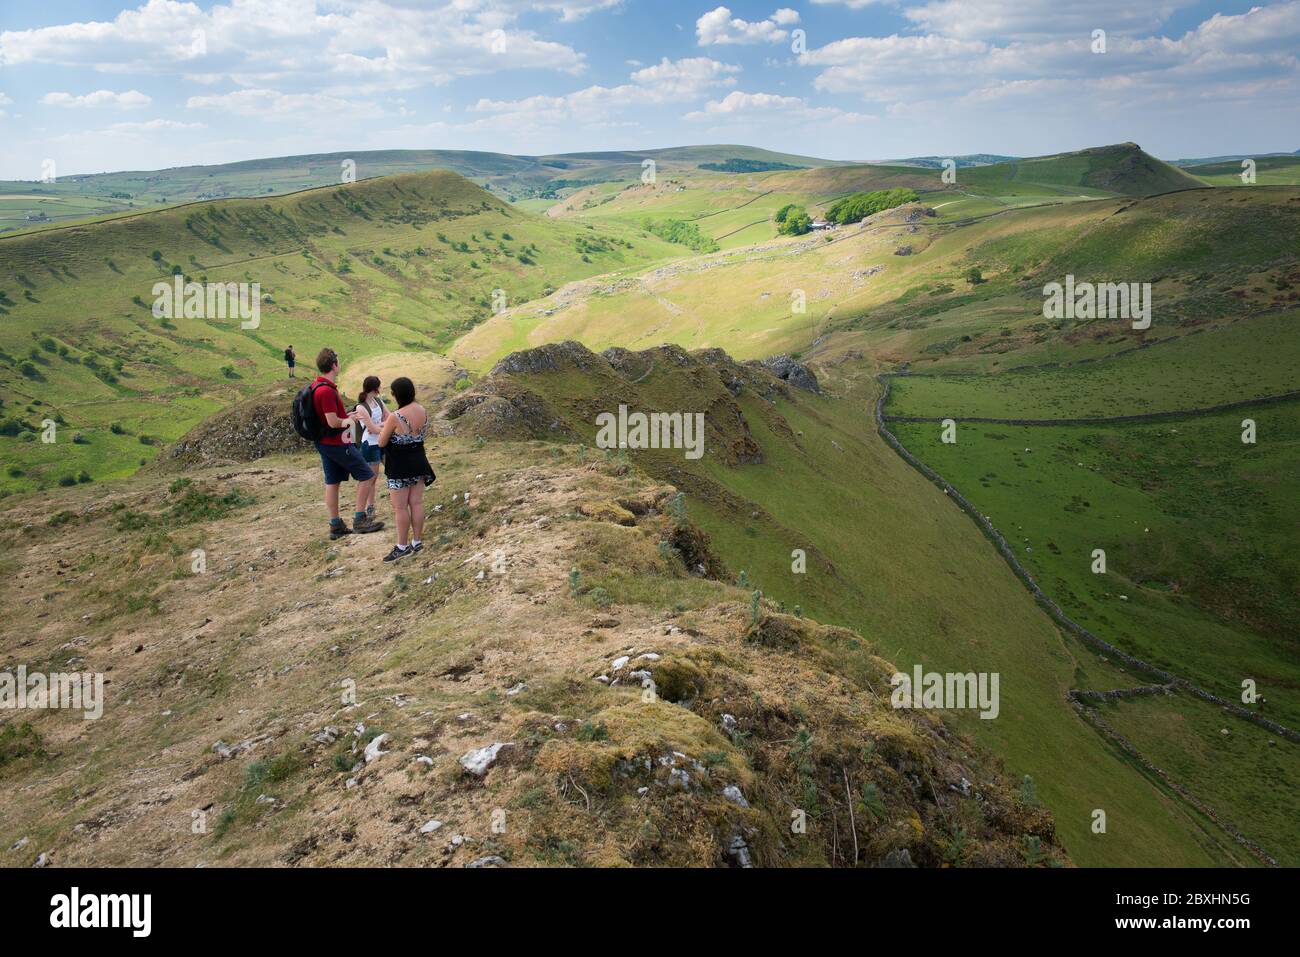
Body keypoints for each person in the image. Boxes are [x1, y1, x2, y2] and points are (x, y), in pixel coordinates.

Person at [310, 348, 384, 540]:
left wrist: (346, 416)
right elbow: (333, 422)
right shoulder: (326, 391)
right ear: (334, 365)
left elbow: (330, 418)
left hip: (324, 442)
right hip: (337, 442)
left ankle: (335, 525)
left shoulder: (317, 386)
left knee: (332, 482)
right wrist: (349, 421)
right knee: (367, 475)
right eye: (338, 362)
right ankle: (360, 520)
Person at [377, 376, 435, 562]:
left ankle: (401, 546)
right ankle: (416, 542)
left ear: (396, 395)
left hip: (399, 465)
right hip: (418, 460)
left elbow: (382, 441)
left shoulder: (395, 416)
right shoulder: (422, 410)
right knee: (416, 503)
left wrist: (382, 428)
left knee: (400, 507)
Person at [354, 375, 389, 524]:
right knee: (371, 480)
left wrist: (380, 426)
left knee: (392, 470)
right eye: (379, 387)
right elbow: (373, 428)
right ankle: (370, 508)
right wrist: (383, 426)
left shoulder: (378, 402)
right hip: (370, 445)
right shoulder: (361, 407)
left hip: (382, 442)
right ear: (375, 388)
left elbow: (388, 418)